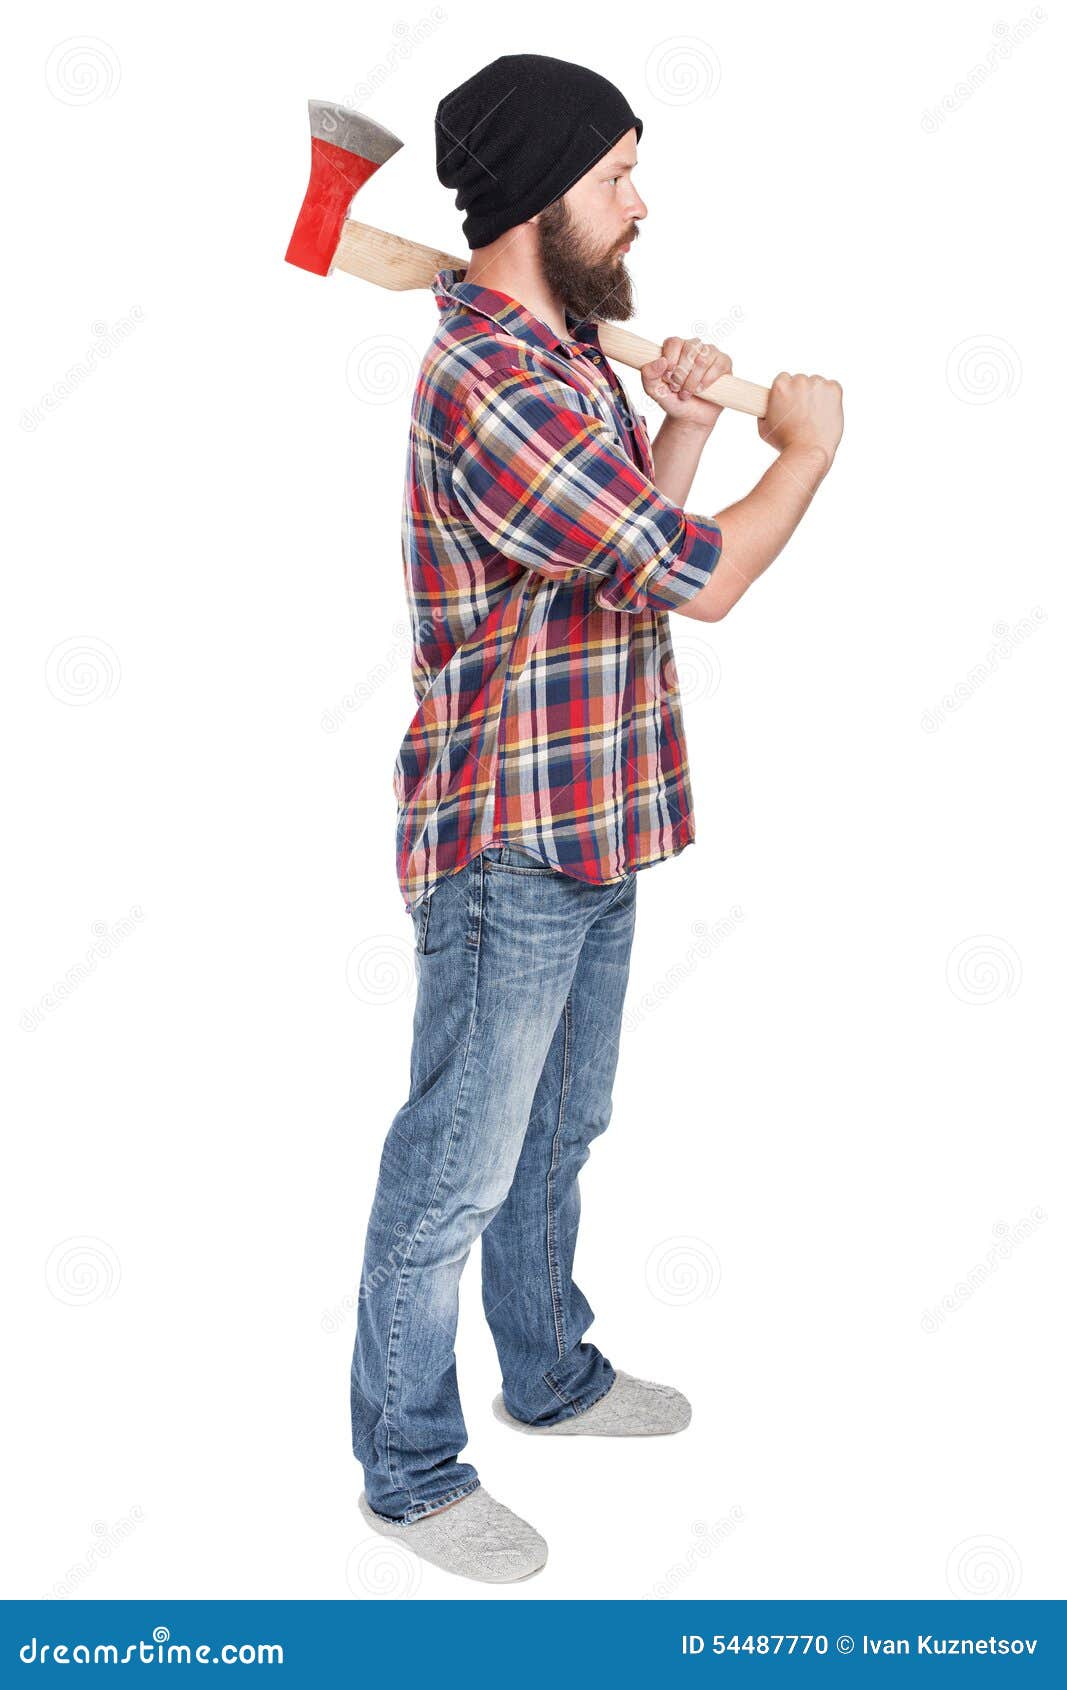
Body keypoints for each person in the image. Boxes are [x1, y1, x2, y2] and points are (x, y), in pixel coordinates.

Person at [350, 52, 844, 1584]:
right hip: (511, 840)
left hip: (599, 810)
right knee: (456, 1167)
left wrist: (682, 423)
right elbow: (705, 577)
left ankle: (548, 1369)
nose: (640, 202)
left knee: (559, 1132)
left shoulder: (556, 351)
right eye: (617, 175)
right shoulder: (490, 386)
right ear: (536, 198)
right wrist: (806, 450)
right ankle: (411, 1466)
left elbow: (622, 538)